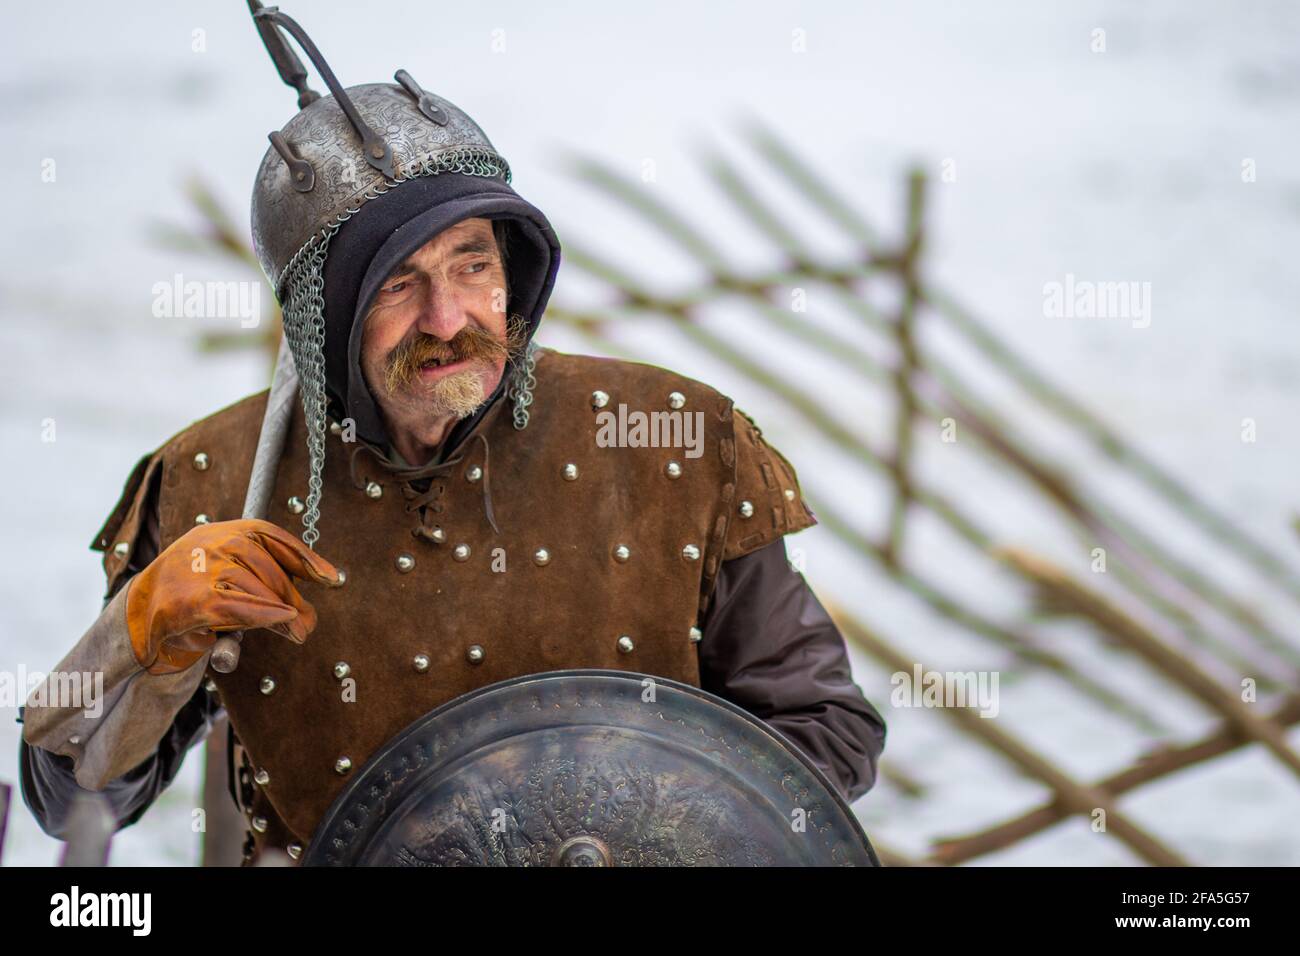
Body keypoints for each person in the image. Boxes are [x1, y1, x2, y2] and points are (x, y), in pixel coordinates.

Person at [18, 5, 885, 865]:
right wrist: (139, 645)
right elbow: (70, 806)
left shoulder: (669, 441)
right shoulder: (212, 483)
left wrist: (657, 832)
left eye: (473, 264)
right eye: (398, 283)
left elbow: (824, 726)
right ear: (326, 324)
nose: (448, 318)